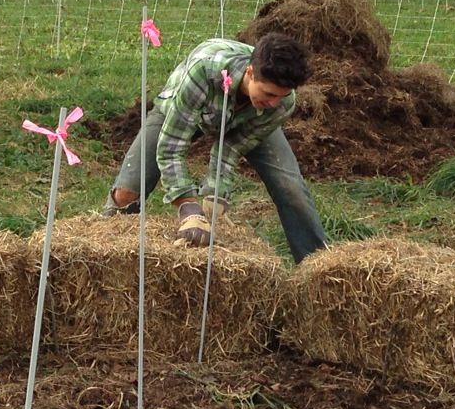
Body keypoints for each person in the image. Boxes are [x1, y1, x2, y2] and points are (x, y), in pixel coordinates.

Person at [102, 31, 330, 263]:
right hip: (185, 105)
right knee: (127, 191)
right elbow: (172, 145)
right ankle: (106, 257)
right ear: (250, 73)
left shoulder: (280, 105)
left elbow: (233, 146)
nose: (273, 102)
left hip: (245, 119)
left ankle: (316, 268)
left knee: (291, 188)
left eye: (280, 96)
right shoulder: (204, 71)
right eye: (268, 93)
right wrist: (187, 205)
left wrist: (216, 191)